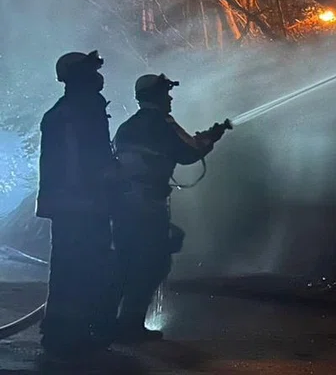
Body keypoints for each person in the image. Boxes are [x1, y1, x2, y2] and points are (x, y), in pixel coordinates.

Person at [112, 73, 230, 342]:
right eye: (166, 93)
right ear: (155, 96)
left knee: (125, 262)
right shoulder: (163, 123)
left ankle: (111, 321)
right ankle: (130, 325)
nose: (170, 97)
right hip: (148, 205)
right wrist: (212, 137)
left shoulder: (126, 127)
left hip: (123, 206)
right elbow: (189, 152)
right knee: (153, 263)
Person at [36, 50, 118, 357]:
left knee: (70, 267)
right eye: (91, 70)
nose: (98, 76)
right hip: (82, 204)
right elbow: (87, 160)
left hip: (73, 203)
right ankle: (73, 333)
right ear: (77, 77)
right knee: (84, 266)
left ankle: (64, 330)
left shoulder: (71, 110)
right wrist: (112, 181)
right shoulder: (79, 112)